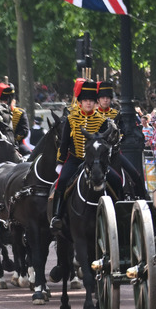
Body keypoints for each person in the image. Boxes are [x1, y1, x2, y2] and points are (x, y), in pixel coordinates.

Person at [51, 80, 109, 229]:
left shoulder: (101, 120)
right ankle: (57, 215)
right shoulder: (71, 119)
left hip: (96, 162)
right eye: (85, 101)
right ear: (80, 102)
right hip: (75, 159)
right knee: (62, 180)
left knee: (115, 181)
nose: (88, 104)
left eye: (91, 101)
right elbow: (64, 143)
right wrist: (60, 161)